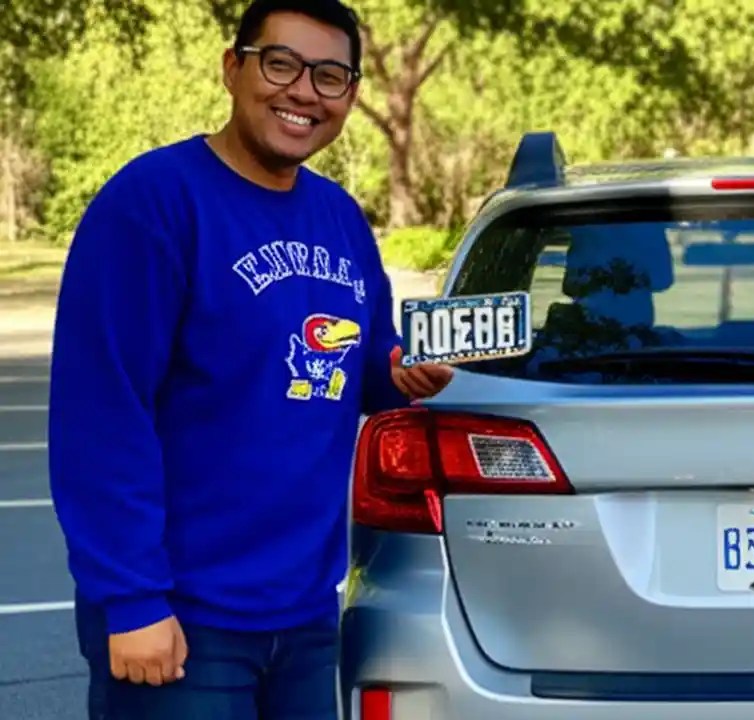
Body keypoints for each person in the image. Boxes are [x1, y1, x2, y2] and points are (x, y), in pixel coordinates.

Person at [46, 0, 454, 717]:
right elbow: (102, 412)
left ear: (351, 96)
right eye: (281, 64)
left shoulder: (340, 219)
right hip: (183, 614)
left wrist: (397, 372)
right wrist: (133, 597)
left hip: (304, 612)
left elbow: (360, 358)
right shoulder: (153, 203)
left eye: (330, 76)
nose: (303, 92)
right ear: (233, 68)